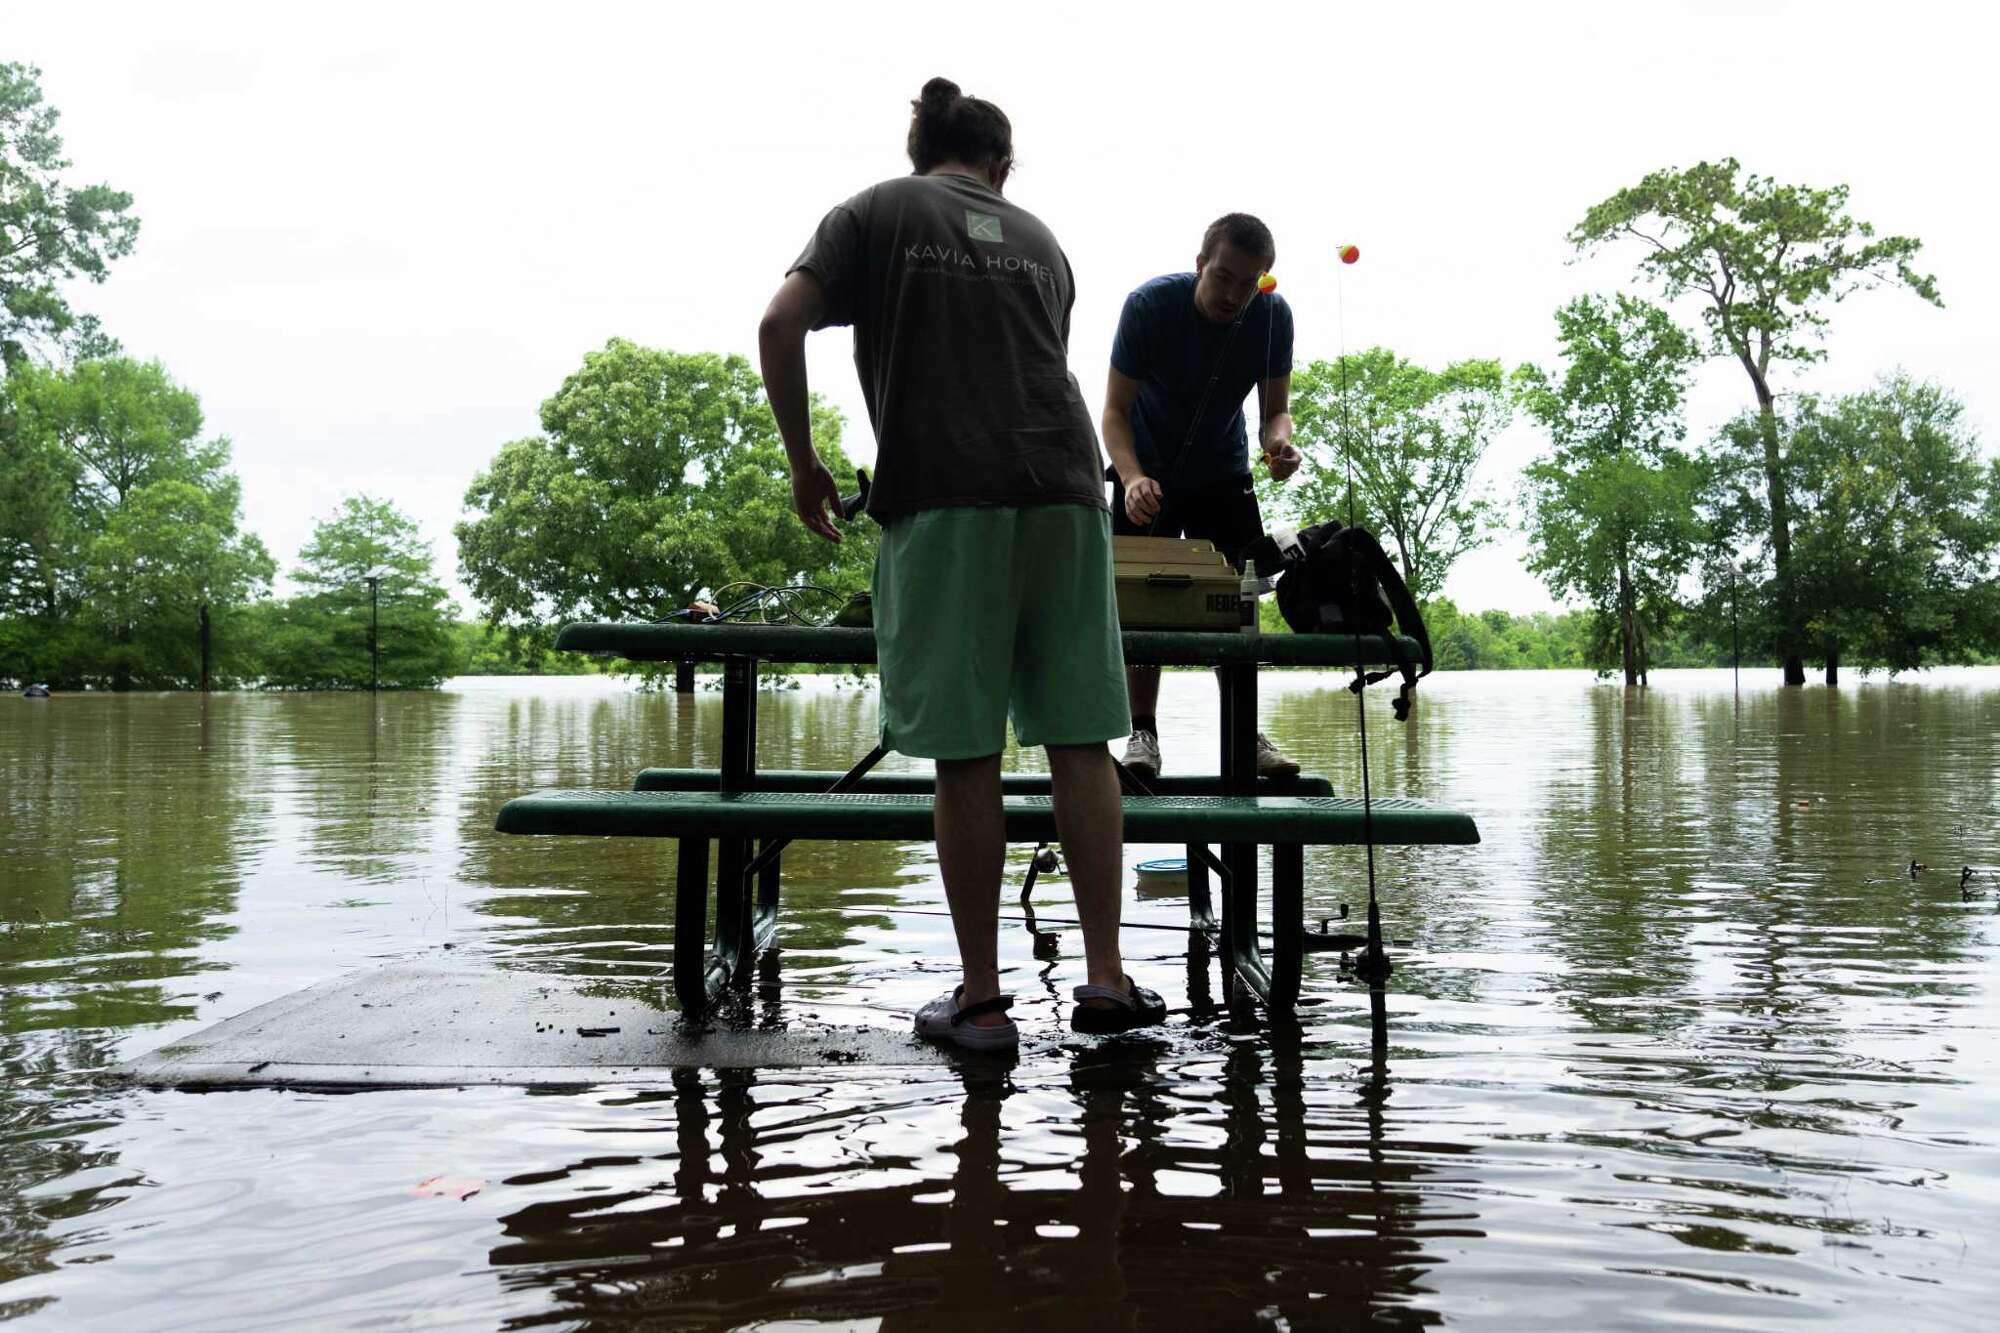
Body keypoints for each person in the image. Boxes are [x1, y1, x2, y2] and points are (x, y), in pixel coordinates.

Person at [757, 77, 1165, 1049]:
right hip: (1067, 496)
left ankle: (981, 1001)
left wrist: (804, 465)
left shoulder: (874, 212)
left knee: (967, 754)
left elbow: (778, 324)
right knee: (1081, 741)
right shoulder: (1041, 242)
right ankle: (1104, 983)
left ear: (922, 153)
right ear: (1000, 166)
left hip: (944, 498)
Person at [1101, 215, 1305, 781]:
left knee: (1238, 601)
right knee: (1141, 605)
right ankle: (1142, 735)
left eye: (1249, 283)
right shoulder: (1148, 307)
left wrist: (1280, 446)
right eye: (1223, 277)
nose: (1233, 294)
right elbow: (1114, 413)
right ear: (1200, 265)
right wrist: (1133, 476)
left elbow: (1275, 415)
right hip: (1144, 473)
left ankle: (1245, 730)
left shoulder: (1271, 315)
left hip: (1223, 472)